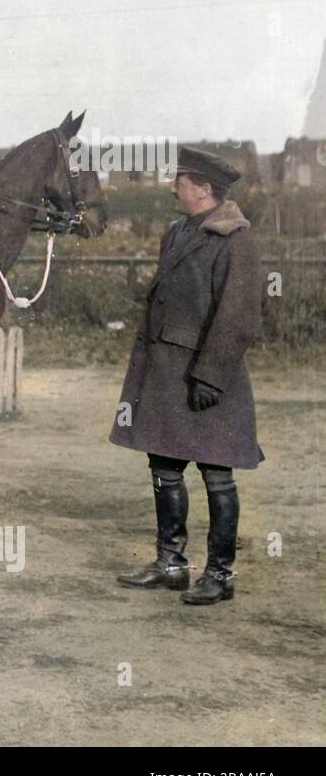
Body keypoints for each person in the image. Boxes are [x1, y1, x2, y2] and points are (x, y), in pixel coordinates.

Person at [111, 146, 263, 605]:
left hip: (207, 377)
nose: (173, 186)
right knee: (164, 467)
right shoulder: (178, 231)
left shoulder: (236, 240)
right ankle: (171, 564)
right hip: (166, 374)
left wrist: (211, 377)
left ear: (203, 188)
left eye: (180, 180)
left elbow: (238, 317)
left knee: (217, 473)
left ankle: (220, 575)